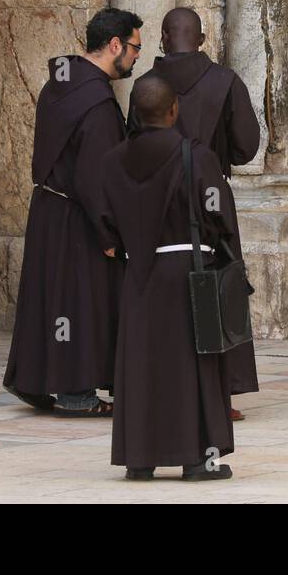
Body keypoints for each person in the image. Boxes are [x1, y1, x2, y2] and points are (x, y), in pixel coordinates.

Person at [3, 7, 142, 416]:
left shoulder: (59, 84)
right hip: (78, 214)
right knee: (81, 300)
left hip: (49, 206)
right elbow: (96, 177)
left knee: (51, 296)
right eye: (134, 48)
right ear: (114, 44)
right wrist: (110, 234)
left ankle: (35, 380)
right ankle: (76, 393)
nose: (136, 57)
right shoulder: (97, 102)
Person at [101, 74, 237, 481]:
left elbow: (105, 222)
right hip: (187, 271)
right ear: (174, 110)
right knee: (192, 364)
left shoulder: (112, 161)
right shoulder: (196, 157)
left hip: (138, 273)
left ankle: (139, 459)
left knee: (141, 364)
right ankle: (197, 459)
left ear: (137, 114)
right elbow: (220, 217)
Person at [127, 7, 261, 419]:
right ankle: (224, 388)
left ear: (164, 38)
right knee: (220, 282)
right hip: (210, 192)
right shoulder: (226, 80)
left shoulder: (145, 86)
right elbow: (246, 146)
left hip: (154, 197)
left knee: (159, 288)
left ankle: (163, 386)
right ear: (201, 39)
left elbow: (133, 142)